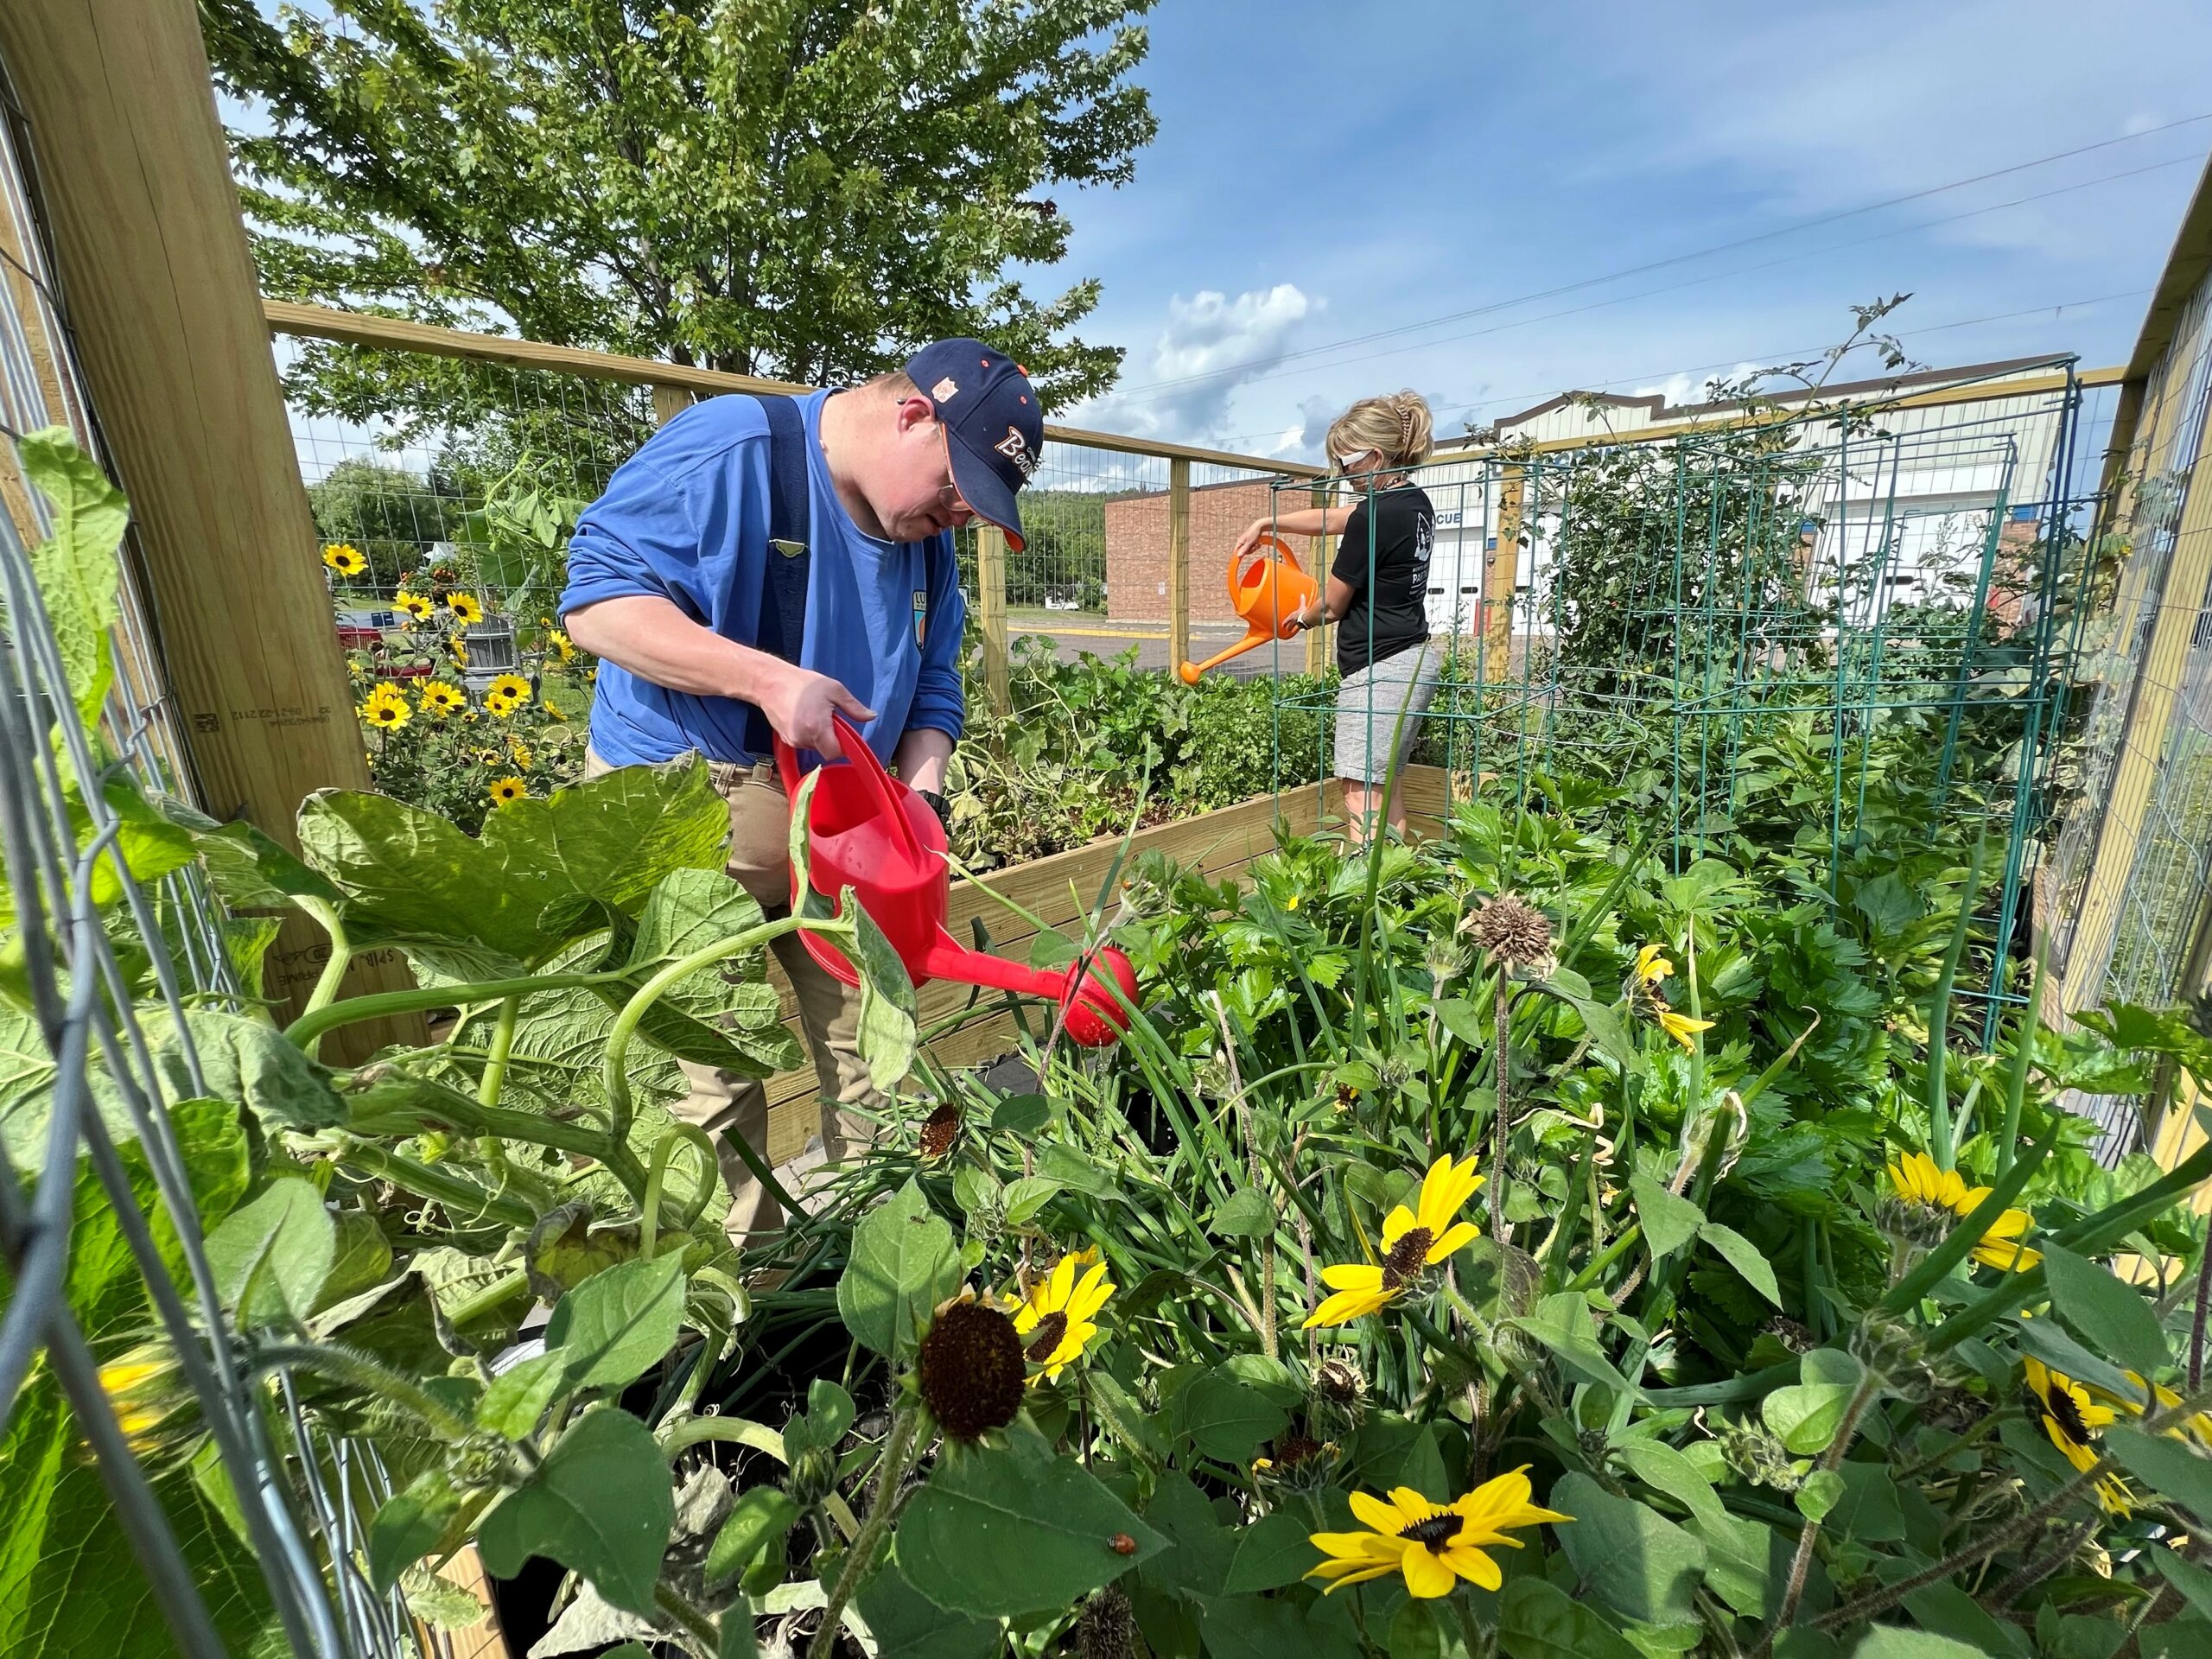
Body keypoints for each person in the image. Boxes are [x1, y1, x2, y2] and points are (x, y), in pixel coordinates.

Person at [559, 340, 1044, 1244]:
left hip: (849, 820)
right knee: (712, 1068)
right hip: (687, 801)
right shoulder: (734, 452)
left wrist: (923, 797)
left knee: (873, 1041)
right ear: (910, 414)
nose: (953, 517)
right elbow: (599, 606)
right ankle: (726, 1304)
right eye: (952, 488)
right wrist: (765, 680)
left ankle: (873, 1264)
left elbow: (934, 681)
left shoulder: (924, 543)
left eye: (971, 509)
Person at [1233, 390, 1439, 842]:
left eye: (1347, 463)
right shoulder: (1412, 502)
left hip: (1380, 670)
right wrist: (1268, 523)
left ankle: (1363, 903)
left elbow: (1331, 605)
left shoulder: (1375, 518)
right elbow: (1333, 519)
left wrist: (1294, 619)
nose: (1342, 474)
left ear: (1376, 457)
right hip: (1411, 658)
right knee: (1385, 790)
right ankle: (1396, 889)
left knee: (1360, 796)